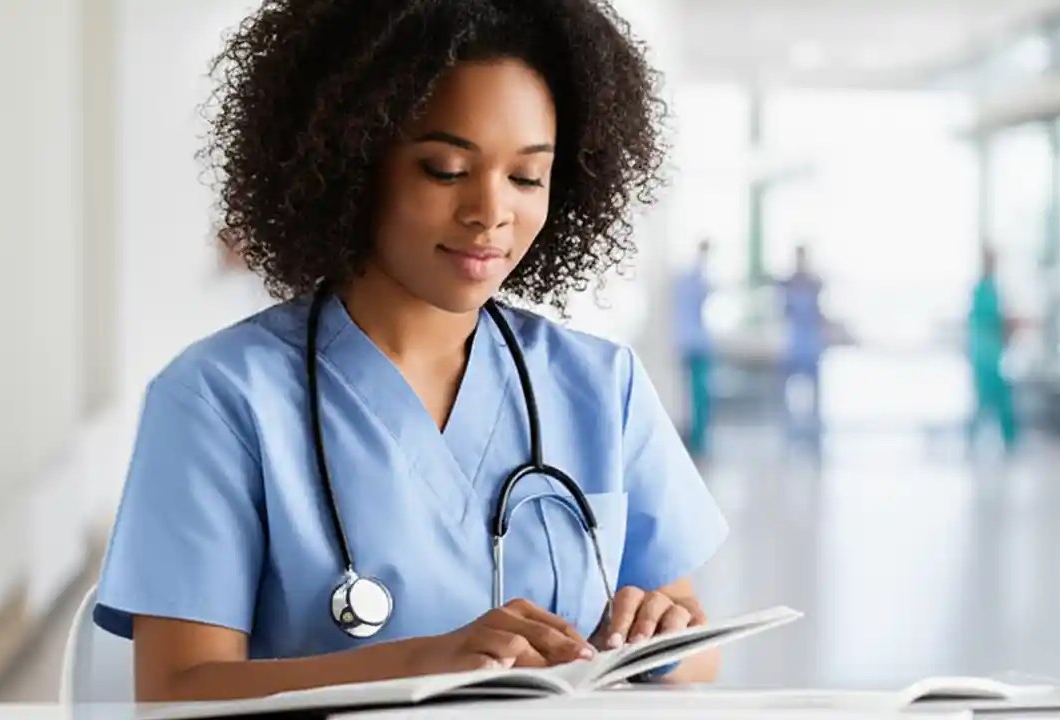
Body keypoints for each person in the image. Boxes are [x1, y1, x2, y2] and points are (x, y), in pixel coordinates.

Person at [94, 0, 727, 702]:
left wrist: (661, 637)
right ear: (354, 161)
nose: (490, 212)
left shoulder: (602, 385)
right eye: (446, 168)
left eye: (526, 177)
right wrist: (426, 664)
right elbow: (175, 691)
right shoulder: (220, 398)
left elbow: (695, 648)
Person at [966, 247, 1019, 452]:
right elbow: (993, 320)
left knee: (993, 399)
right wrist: (1009, 325)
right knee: (989, 398)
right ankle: (1002, 440)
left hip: (988, 352)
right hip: (986, 354)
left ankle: (1008, 441)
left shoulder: (990, 289)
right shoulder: (983, 290)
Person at [779, 244, 827, 443]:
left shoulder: (814, 283)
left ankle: (814, 431)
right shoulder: (788, 284)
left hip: (810, 345)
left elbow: (819, 314)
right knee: (788, 389)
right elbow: (784, 313)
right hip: (795, 344)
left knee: (815, 392)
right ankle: (790, 430)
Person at [673, 239, 714, 456]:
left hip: (687, 342)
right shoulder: (697, 279)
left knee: (694, 393)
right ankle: (698, 440)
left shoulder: (687, 278)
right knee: (699, 394)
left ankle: (697, 438)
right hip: (696, 344)